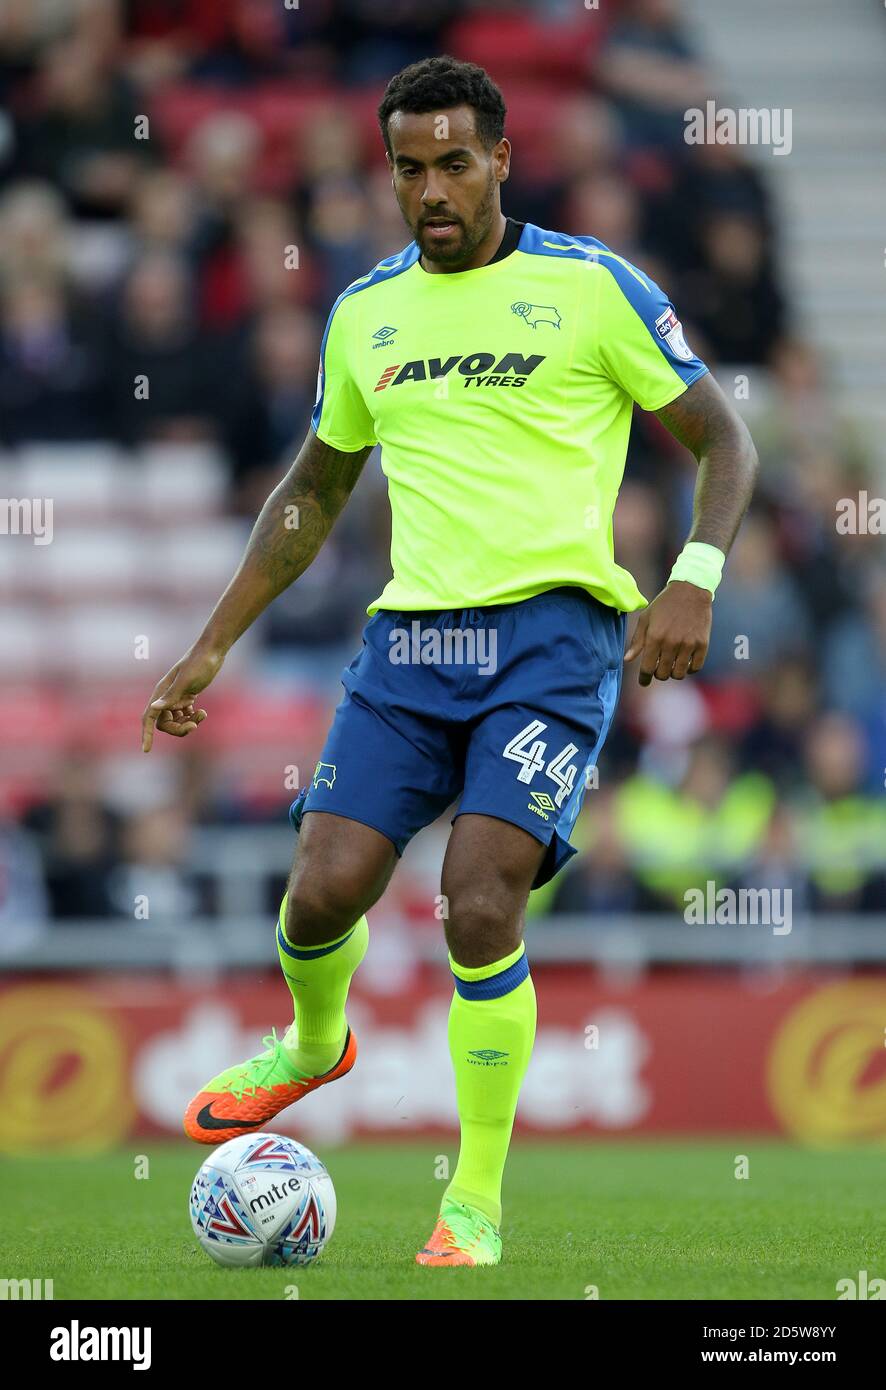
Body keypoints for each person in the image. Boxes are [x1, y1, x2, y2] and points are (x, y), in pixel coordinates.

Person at [141, 56, 757, 1268]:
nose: (431, 189)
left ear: (501, 161)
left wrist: (694, 575)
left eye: (454, 164)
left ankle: (470, 1200)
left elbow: (723, 438)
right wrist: (211, 642)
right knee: (321, 891)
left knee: (478, 901)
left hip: (552, 638)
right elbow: (312, 493)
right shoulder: (365, 312)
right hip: (411, 642)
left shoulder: (590, 288)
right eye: (408, 168)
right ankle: (315, 1043)